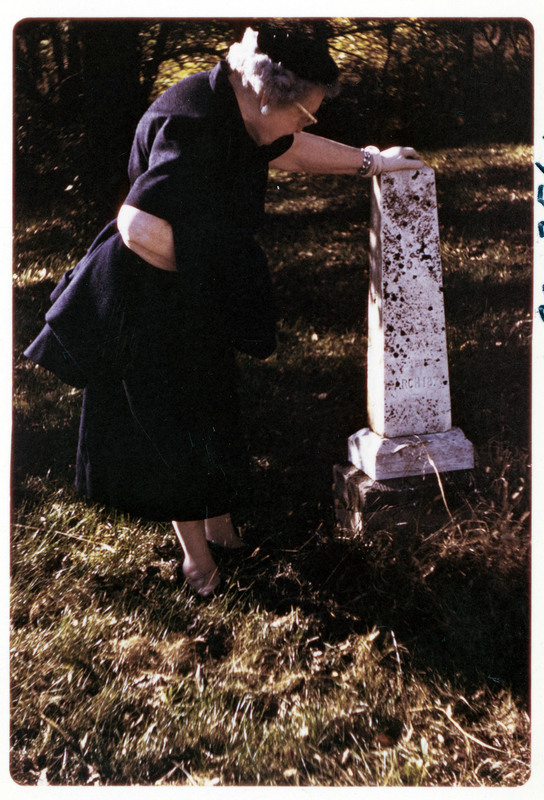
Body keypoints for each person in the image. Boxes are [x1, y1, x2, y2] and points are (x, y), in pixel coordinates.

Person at [25, 25, 424, 597]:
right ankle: (197, 562)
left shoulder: (242, 109)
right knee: (173, 421)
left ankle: (223, 531)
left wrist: (371, 161)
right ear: (270, 95)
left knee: (211, 402)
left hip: (188, 284)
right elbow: (135, 224)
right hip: (147, 293)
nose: (307, 124)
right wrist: (216, 279)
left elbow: (289, 148)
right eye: (305, 114)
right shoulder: (191, 123)